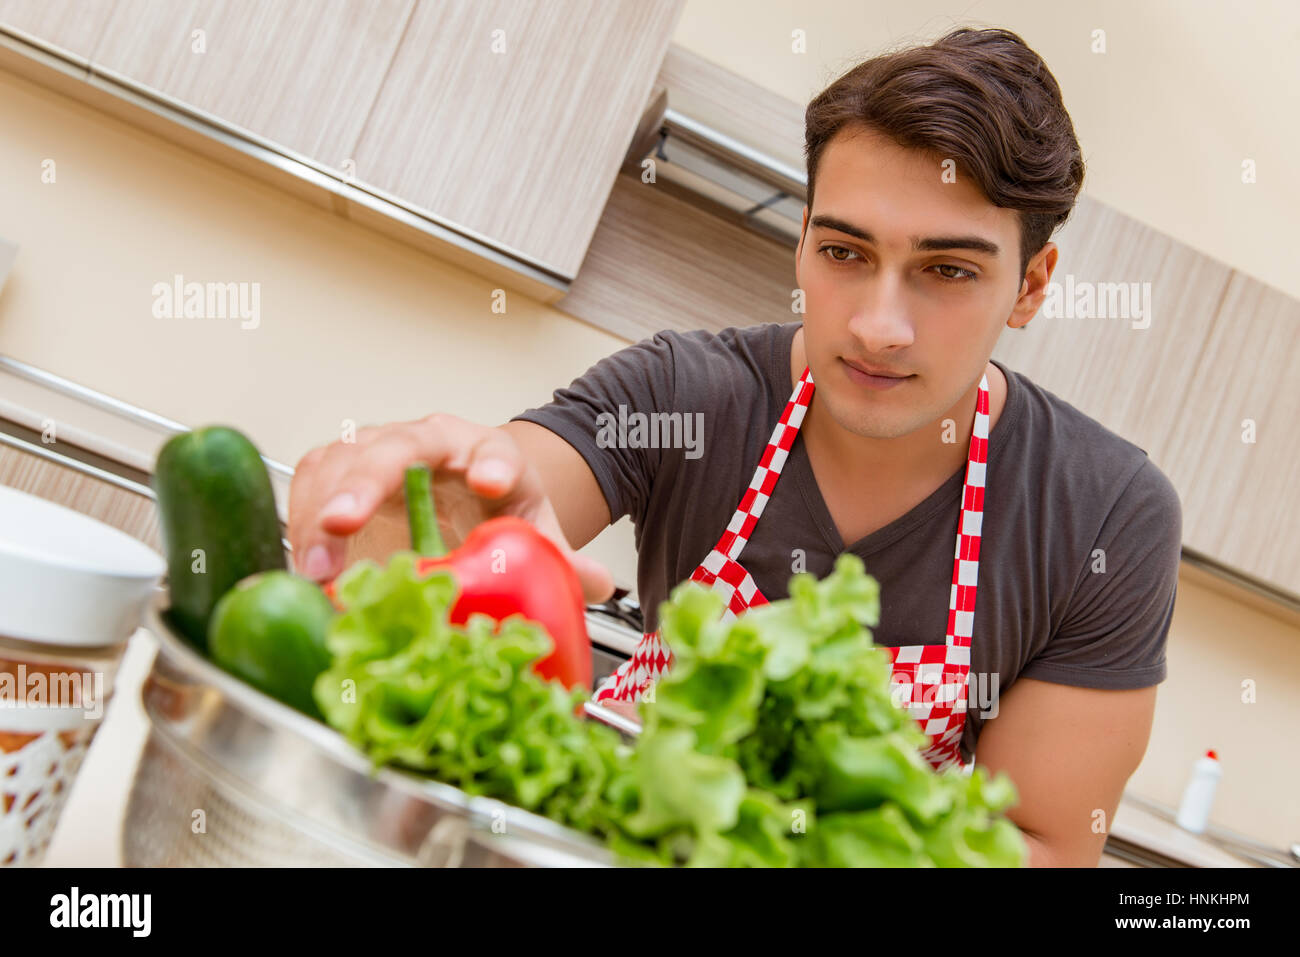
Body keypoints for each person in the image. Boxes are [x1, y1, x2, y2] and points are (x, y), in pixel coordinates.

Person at [288, 27, 1182, 867]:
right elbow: (493, 500)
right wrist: (416, 525)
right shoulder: (685, 393)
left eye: (947, 270)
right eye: (843, 251)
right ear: (801, 240)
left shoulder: (1103, 511)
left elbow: (1038, 843)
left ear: (1029, 285)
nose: (878, 326)